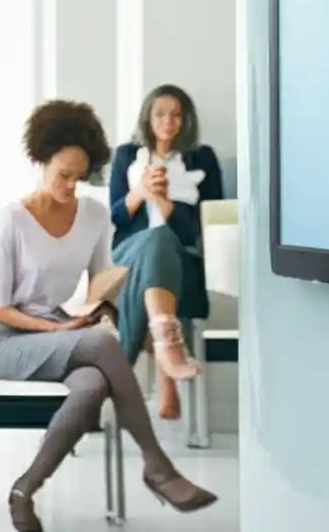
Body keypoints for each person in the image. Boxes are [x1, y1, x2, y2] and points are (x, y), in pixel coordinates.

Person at [0, 100, 217, 531]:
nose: (70, 186)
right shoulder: (10, 220)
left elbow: (100, 286)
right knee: (102, 346)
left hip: (60, 330)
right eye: (62, 175)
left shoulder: (92, 215)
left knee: (93, 385)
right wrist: (62, 328)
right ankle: (157, 467)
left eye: (78, 177)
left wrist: (94, 316)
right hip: (5, 340)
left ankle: (24, 491)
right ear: (40, 161)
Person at [108, 84, 224, 419]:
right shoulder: (127, 155)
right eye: (160, 113)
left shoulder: (202, 159)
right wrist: (141, 192)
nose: (168, 121)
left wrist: (163, 202)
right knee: (154, 241)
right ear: (148, 117)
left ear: (186, 120)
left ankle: (134, 360)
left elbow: (203, 225)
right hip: (128, 254)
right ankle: (168, 361)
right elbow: (116, 217)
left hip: (181, 255)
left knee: (161, 243)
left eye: (176, 114)